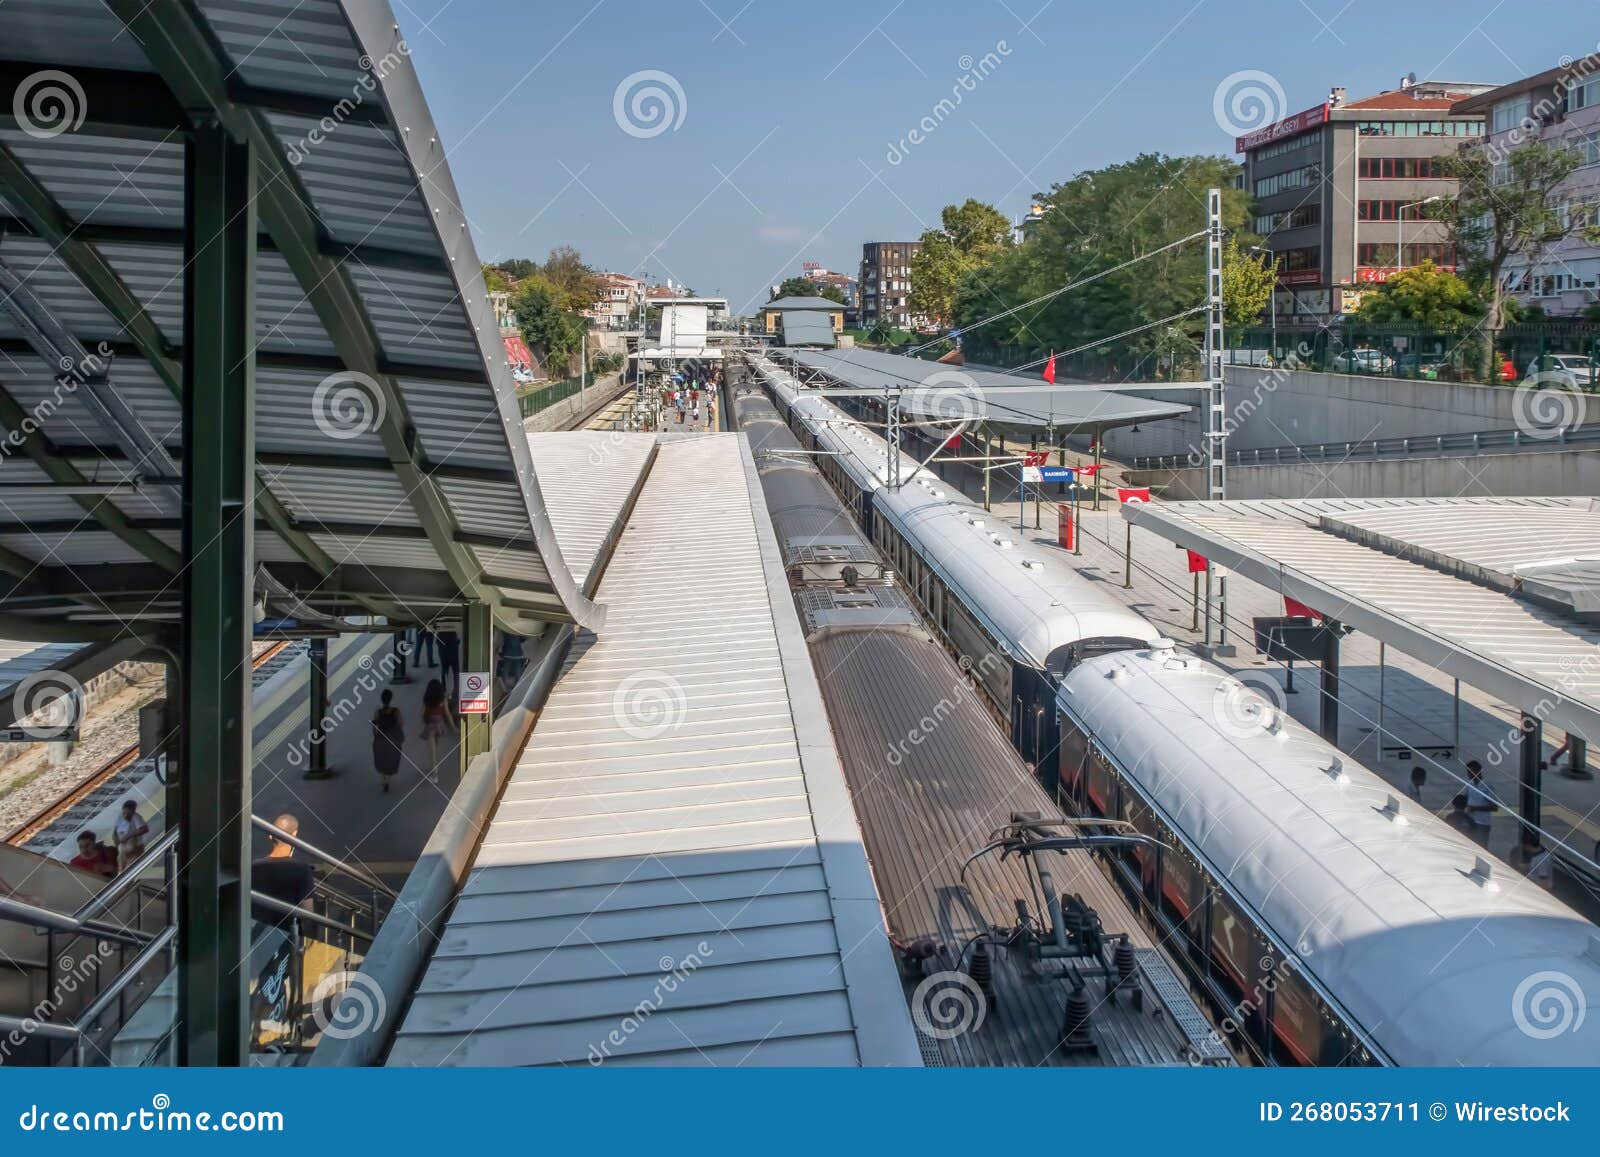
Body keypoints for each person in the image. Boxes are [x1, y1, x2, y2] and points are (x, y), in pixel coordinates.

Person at [371, 690, 405, 793]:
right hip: (393, 739)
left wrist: (375, 735)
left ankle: (383, 779)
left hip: (381, 738)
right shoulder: (396, 711)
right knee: (391, 760)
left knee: (382, 759)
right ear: (391, 699)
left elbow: (374, 725)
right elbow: (401, 723)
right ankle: (387, 780)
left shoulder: (378, 712)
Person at [420, 679, 455, 779]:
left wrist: (425, 722)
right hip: (439, 726)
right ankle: (433, 766)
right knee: (435, 745)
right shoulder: (442, 699)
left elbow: (422, 713)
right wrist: (453, 727)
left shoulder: (426, 700)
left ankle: (434, 771)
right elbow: (447, 714)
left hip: (430, 726)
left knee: (432, 751)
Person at [1463, 760, 1498, 849]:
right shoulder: (1469, 784)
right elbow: (1465, 798)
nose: (1469, 774)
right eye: (1468, 772)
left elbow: (1494, 807)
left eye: (1471, 772)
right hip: (1470, 821)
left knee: (1481, 848)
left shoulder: (1487, 786)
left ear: (1478, 771)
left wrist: (1475, 808)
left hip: (1482, 823)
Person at [113, 799, 149, 873]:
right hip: (122, 848)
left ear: (133, 810)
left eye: (128, 812)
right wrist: (116, 841)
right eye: (124, 812)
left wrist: (128, 836)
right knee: (121, 868)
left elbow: (144, 829)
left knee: (130, 868)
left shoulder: (136, 817)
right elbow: (115, 832)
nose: (125, 815)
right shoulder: (120, 817)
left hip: (135, 848)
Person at [437, 628, 461, 698]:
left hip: (442, 643)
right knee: (456, 670)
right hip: (452, 644)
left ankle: (443, 690)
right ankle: (456, 690)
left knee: (444, 669)